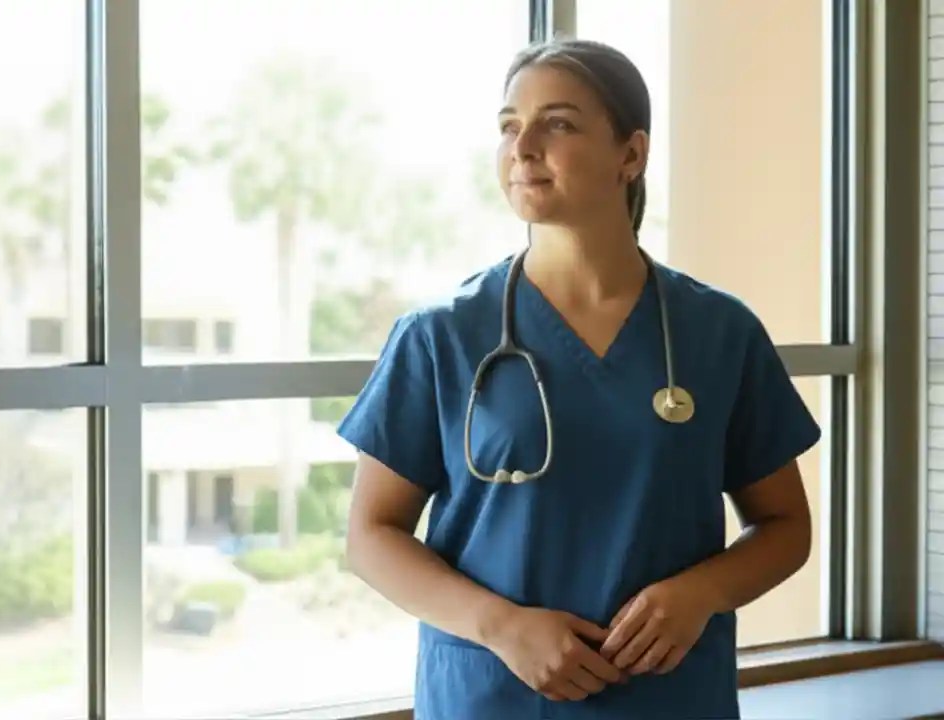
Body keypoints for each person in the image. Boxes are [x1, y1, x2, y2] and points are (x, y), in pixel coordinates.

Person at [337, 38, 819, 719]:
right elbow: (371, 535)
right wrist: (501, 627)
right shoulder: (441, 336)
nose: (523, 145)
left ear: (632, 154)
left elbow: (784, 526)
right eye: (509, 126)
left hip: (669, 698)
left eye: (557, 123)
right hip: (493, 695)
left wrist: (701, 593)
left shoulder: (718, 334)